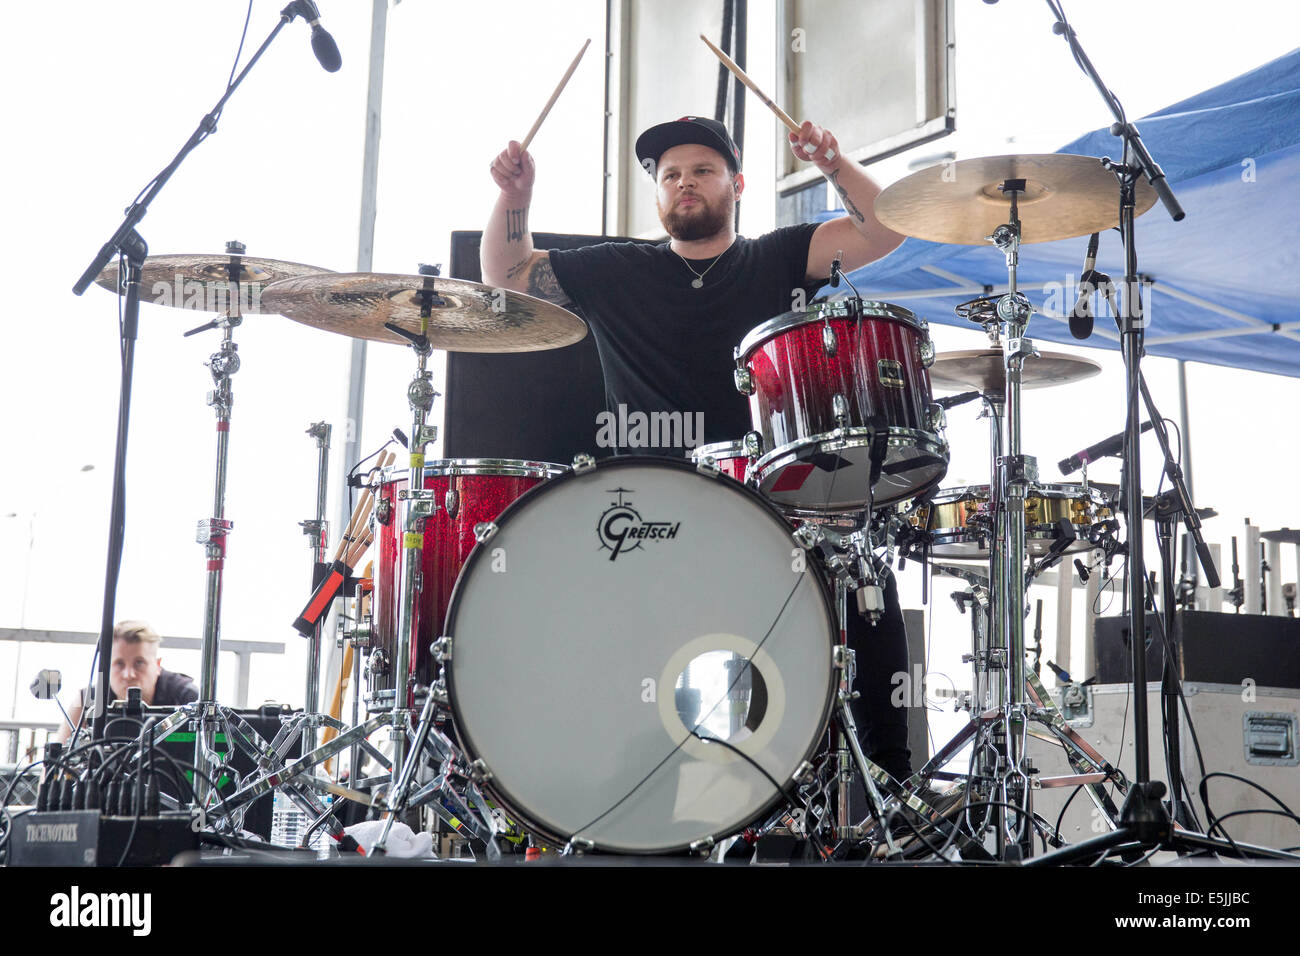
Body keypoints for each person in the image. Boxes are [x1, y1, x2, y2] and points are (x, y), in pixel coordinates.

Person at [481, 115, 918, 784]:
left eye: (702, 170)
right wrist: (515, 197)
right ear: (657, 194)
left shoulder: (778, 257)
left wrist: (834, 165)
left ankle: (890, 787)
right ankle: (642, 790)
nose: (684, 183)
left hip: (770, 503)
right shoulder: (617, 269)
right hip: (653, 513)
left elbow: (885, 228)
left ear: (736, 184)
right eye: (670, 174)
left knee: (866, 578)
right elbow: (509, 278)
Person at [59, 620, 199, 741]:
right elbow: (56, 767)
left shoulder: (188, 699)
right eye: (119, 664)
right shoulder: (87, 700)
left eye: (139, 663)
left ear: (157, 665)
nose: (128, 674)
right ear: (107, 667)